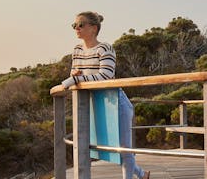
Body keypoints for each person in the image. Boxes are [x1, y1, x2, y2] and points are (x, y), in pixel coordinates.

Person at [60, 11, 150, 179]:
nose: (76, 29)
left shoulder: (105, 48)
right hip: (96, 104)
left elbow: (106, 76)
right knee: (98, 147)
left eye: (80, 25)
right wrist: (75, 76)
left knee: (123, 149)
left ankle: (137, 175)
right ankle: (143, 175)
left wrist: (74, 79)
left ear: (93, 28)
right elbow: (75, 73)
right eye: (74, 25)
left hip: (116, 103)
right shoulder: (77, 50)